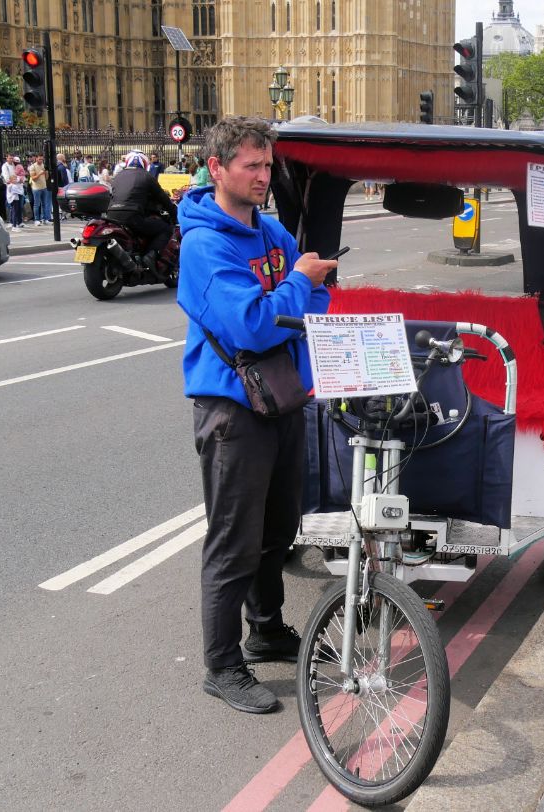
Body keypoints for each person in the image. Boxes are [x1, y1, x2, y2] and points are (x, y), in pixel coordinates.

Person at [176, 116, 336, 714]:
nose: (264, 177)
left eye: (268, 166)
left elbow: (310, 305)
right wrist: (297, 282)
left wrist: (301, 285)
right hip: (232, 409)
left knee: (279, 530)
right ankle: (221, 665)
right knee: (233, 541)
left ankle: (265, 628)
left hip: (282, 398)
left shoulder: (271, 234)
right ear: (216, 168)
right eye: (251, 166)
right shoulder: (204, 244)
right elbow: (251, 323)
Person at [104, 151, 178, 264]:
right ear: (145, 164)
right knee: (165, 229)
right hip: (132, 217)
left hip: (111, 216)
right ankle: (150, 255)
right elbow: (162, 198)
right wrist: (174, 213)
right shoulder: (147, 176)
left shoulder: (118, 176)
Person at [29, 155, 51, 224]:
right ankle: (37, 220)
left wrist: (46, 173)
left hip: (44, 187)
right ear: (36, 159)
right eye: (39, 159)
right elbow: (33, 178)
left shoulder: (43, 165)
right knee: (37, 204)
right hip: (36, 188)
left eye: (42, 159)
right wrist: (40, 173)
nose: (41, 161)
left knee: (44, 204)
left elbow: (46, 178)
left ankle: (45, 219)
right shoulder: (33, 167)